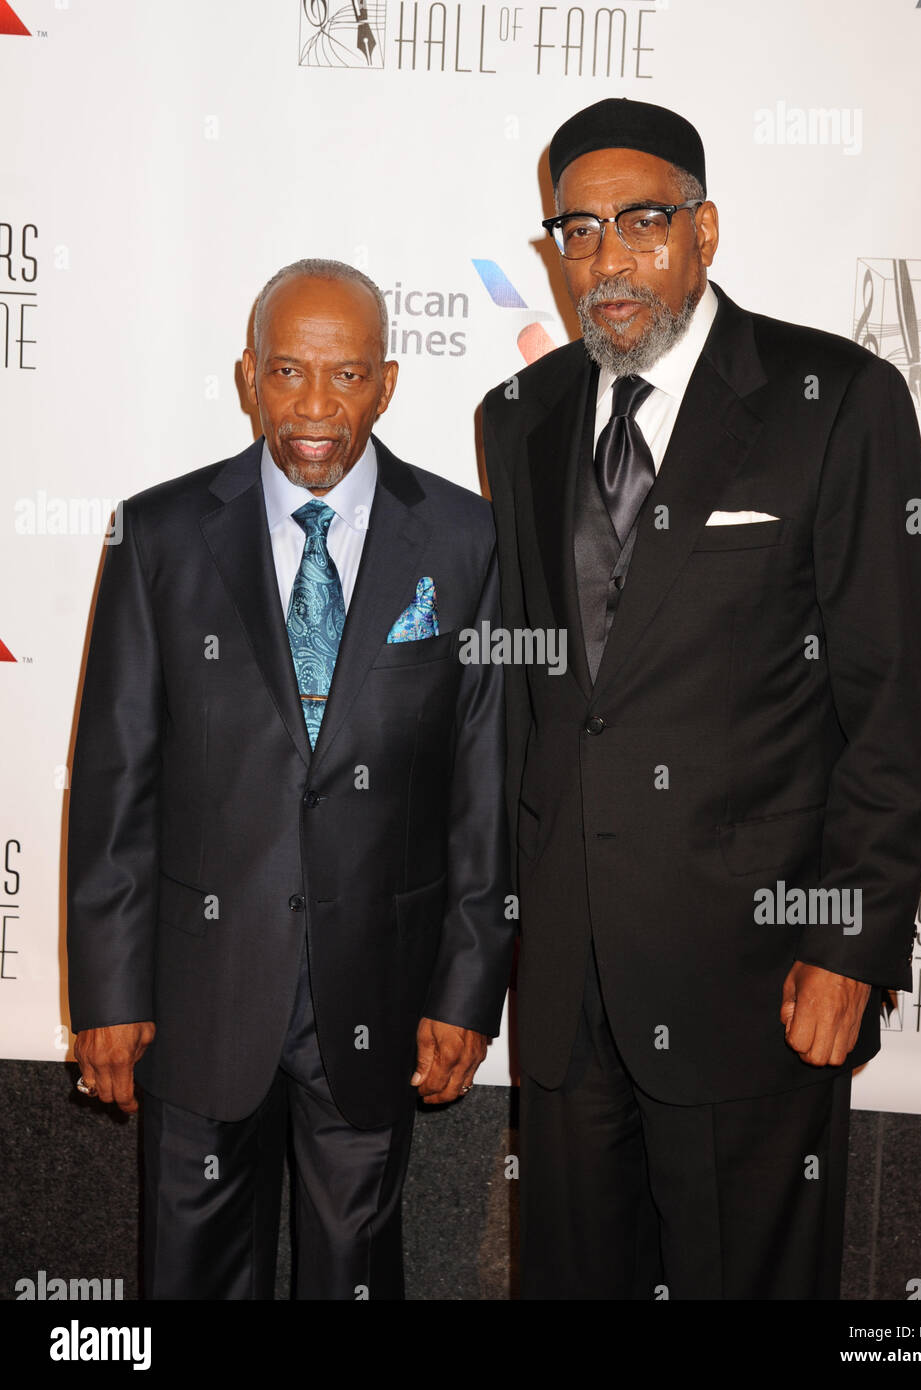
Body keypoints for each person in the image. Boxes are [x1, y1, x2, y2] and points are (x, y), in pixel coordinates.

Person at [481, 98, 921, 1300]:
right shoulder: (518, 420)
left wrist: (848, 942)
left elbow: (891, 698)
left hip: (754, 980)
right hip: (569, 988)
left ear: (705, 230)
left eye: (641, 220)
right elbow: (541, 707)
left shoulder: (831, 399)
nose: (607, 257)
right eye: (576, 230)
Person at [68, 258, 512, 1300]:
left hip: (378, 993)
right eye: (288, 373)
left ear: (389, 382)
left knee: (353, 1272)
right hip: (198, 995)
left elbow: (482, 788)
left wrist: (466, 987)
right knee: (190, 1276)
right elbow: (113, 782)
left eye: (348, 375)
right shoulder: (162, 535)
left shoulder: (465, 540)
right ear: (247, 378)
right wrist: (108, 990)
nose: (316, 408)